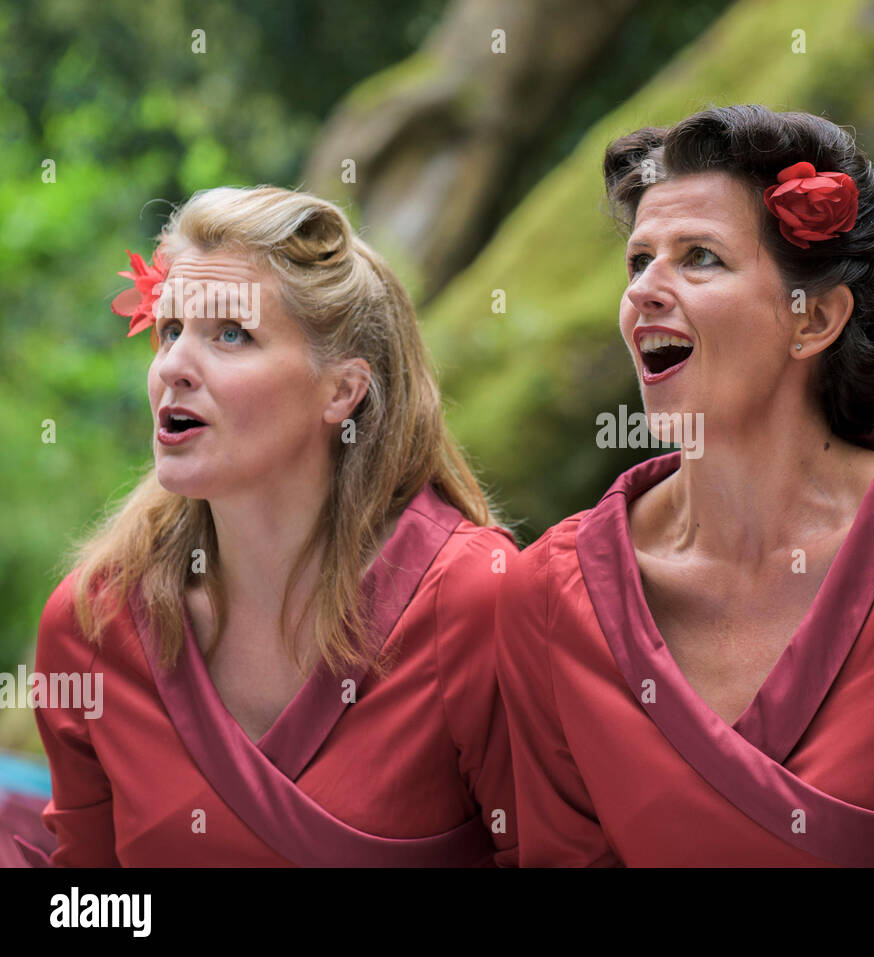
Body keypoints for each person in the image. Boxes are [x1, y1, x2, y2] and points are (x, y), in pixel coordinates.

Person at [496, 104, 874, 866]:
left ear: (813, 321)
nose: (646, 288)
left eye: (699, 257)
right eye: (639, 259)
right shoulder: (550, 594)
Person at [20, 186, 517, 866]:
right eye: (170, 330)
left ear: (342, 390)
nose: (173, 368)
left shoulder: (476, 601)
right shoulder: (93, 623)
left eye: (231, 334)